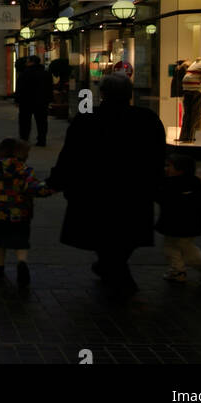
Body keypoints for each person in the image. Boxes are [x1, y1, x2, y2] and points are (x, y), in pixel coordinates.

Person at [48, 72, 166, 299]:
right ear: (130, 94)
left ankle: (113, 270)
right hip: (133, 191)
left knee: (102, 232)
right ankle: (113, 269)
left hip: (95, 190)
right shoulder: (147, 119)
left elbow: (70, 156)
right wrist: (157, 185)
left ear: (102, 93)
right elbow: (157, 157)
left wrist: (57, 181)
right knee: (124, 233)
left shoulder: (87, 120)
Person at [0, 137, 54, 286]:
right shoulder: (25, 171)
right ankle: (21, 261)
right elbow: (34, 187)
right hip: (20, 214)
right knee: (20, 240)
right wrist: (50, 188)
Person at [156, 152, 201, 284]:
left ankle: (197, 267)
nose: (166, 168)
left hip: (174, 224)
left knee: (176, 247)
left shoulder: (172, 184)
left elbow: (162, 198)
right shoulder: (195, 184)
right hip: (191, 224)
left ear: (180, 169)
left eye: (169, 166)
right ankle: (179, 270)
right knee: (184, 245)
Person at [15, 54, 53, 147]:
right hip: (42, 101)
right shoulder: (45, 73)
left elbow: (20, 88)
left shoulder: (24, 73)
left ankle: (24, 138)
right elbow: (49, 88)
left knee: (25, 121)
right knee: (42, 122)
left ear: (31, 62)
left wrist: (17, 99)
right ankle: (42, 140)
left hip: (26, 101)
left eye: (27, 61)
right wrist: (49, 99)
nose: (26, 63)